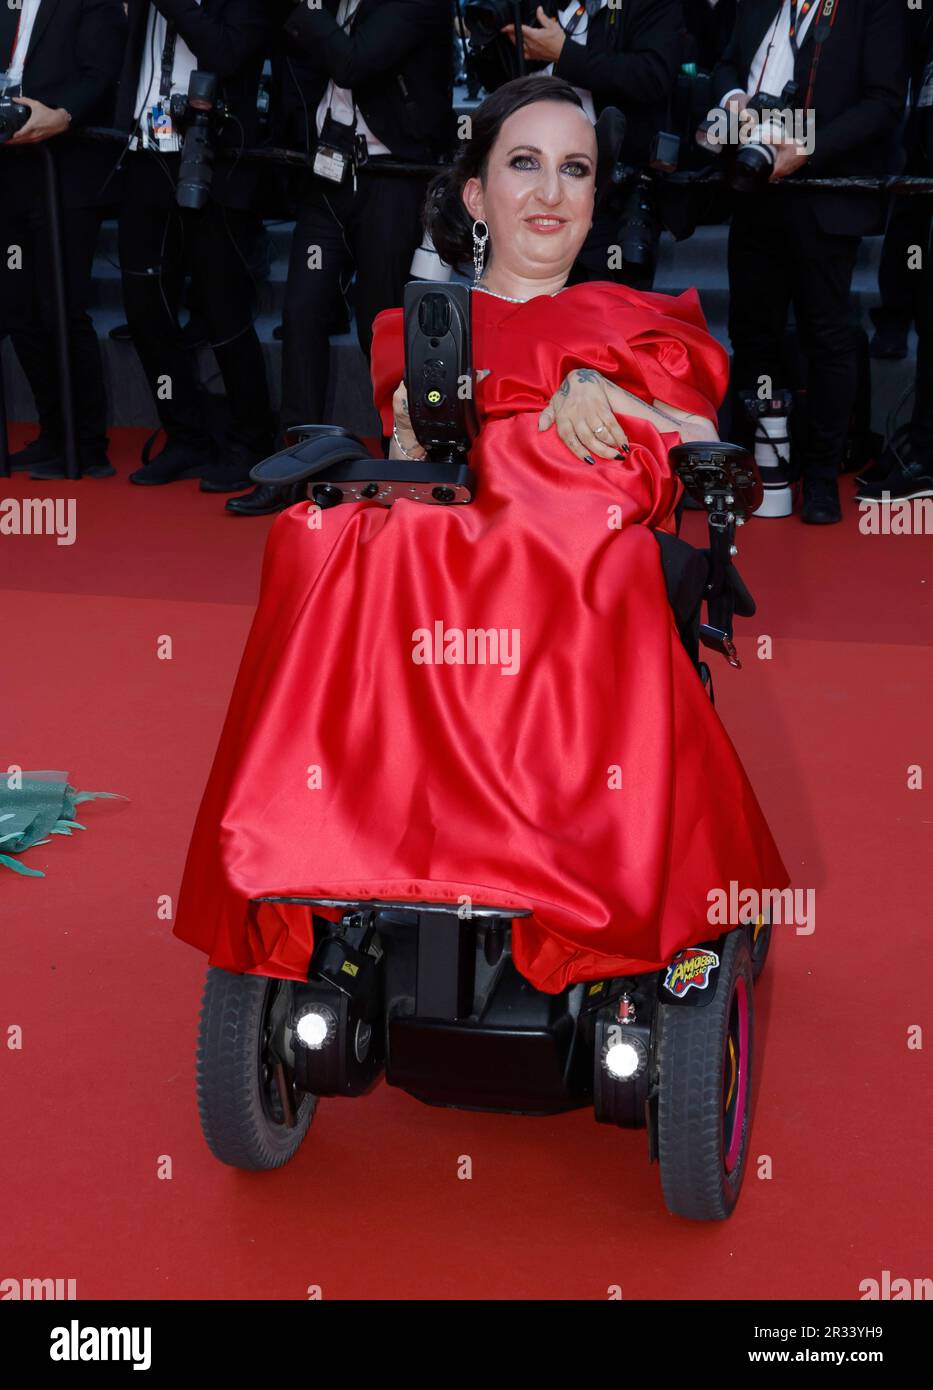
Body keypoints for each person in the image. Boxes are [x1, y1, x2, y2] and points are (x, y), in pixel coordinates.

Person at [172, 75, 788, 993]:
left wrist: (607, 393)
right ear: (476, 195)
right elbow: (418, 462)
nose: (549, 193)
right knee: (321, 537)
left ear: (594, 197)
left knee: (590, 544)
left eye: (574, 171)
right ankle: (325, 849)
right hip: (449, 577)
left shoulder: (642, 323)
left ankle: (558, 869)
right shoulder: (422, 330)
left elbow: (704, 444)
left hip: (585, 568)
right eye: (524, 165)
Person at [228, 0, 455, 518]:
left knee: (379, 323)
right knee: (301, 315)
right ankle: (293, 470)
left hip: (391, 177)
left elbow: (353, 61)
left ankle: (401, 459)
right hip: (328, 175)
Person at [710, 0, 908, 524]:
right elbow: (728, 61)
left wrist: (808, 146)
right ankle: (753, 464)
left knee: (827, 337)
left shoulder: (874, 10)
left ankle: (821, 477)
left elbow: (884, 103)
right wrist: (733, 101)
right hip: (755, 190)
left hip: (824, 192)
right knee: (753, 333)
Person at [113, 0, 274, 491]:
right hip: (144, 155)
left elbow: (225, 54)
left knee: (223, 312)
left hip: (214, 160)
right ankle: (186, 436)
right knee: (145, 310)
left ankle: (253, 442)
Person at [0, 0, 127, 481]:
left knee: (60, 305)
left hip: (66, 171)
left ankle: (87, 443)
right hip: (9, 173)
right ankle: (54, 432)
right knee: (17, 309)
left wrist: (63, 115)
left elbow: (101, 72)